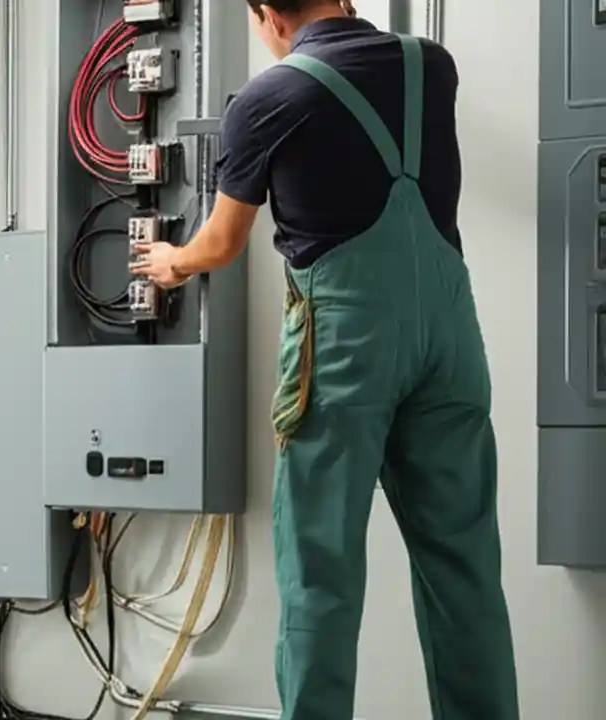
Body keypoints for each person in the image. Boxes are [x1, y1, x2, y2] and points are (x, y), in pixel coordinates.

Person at [129, 2, 520, 718]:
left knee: (321, 576)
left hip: (344, 347)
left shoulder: (268, 99)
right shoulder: (431, 65)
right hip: (451, 340)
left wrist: (170, 263)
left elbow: (220, 244)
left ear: (265, 13)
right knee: (465, 573)